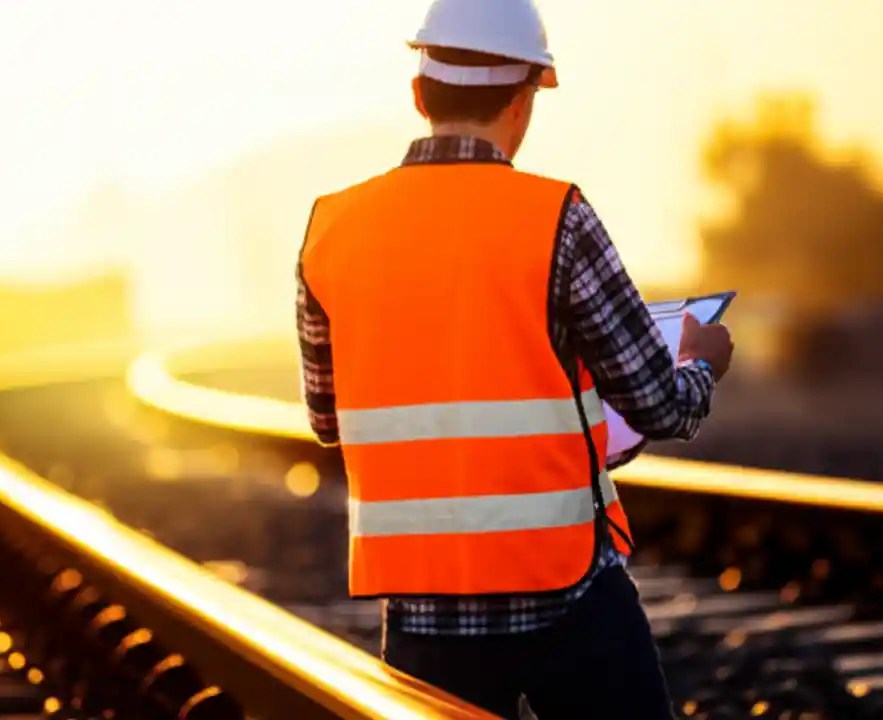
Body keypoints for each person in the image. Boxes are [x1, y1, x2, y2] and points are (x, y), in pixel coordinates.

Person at [295, 0, 733, 716]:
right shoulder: (557, 217)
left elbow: (326, 419)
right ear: (524, 101)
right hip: (567, 597)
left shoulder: (331, 227)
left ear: (418, 95)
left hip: (422, 610)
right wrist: (703, 365)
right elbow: (658, 404)